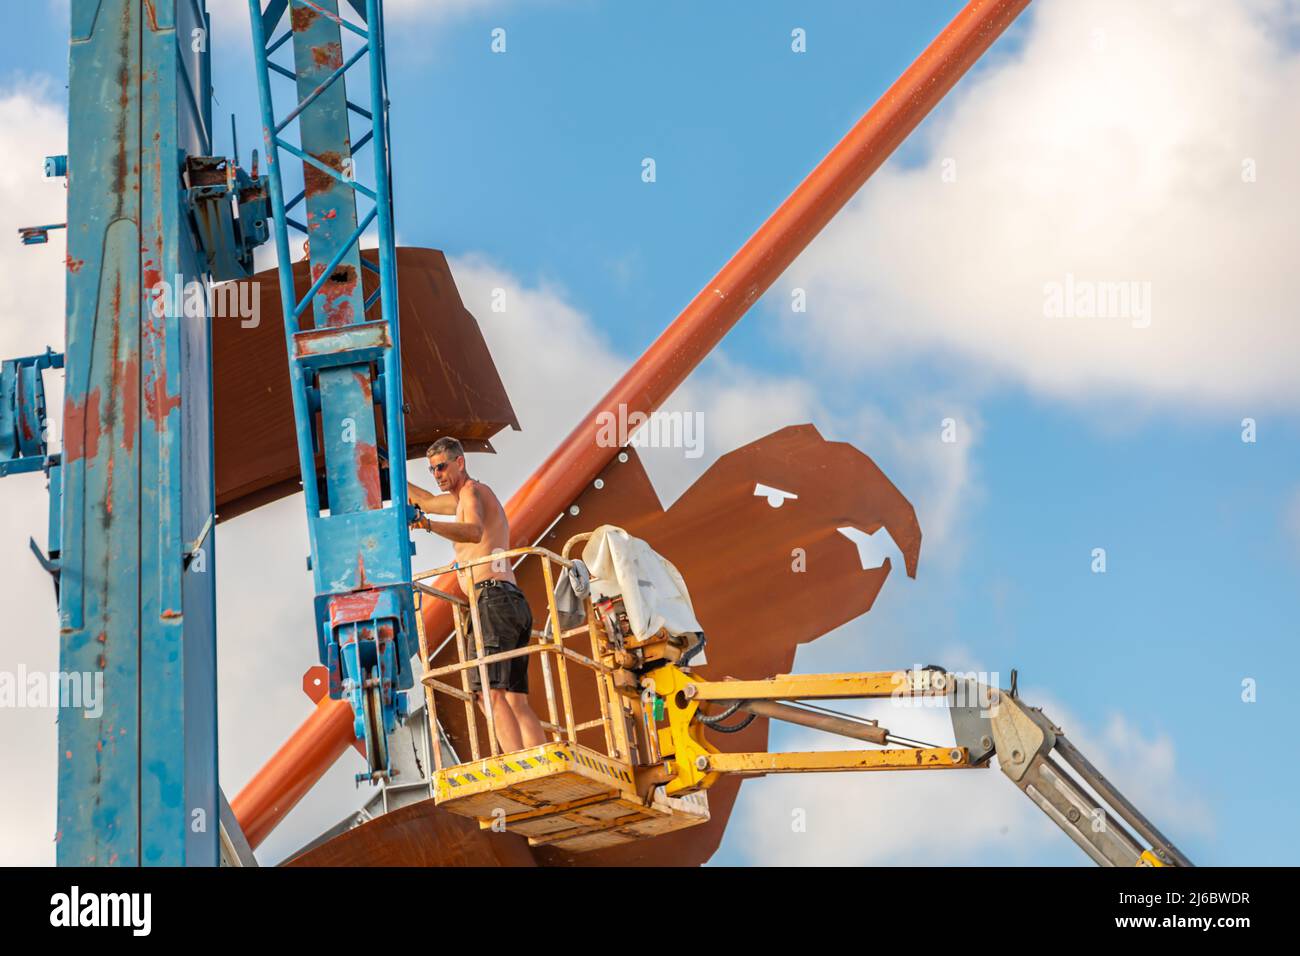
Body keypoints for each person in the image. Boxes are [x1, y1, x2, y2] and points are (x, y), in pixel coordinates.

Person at [408, 437, 546, 753]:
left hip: (492, 600)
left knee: (487, 693)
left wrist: (427, 525)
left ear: (460, 462)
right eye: (432, 469)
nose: (437, 474)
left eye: (442, 467)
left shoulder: (470, 493)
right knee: (515, 699)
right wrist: (390, 475)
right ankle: (538, 759)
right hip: (510, 601)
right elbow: (427, 501)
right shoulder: (469, 496)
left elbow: (473, 531)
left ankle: (518, 764)